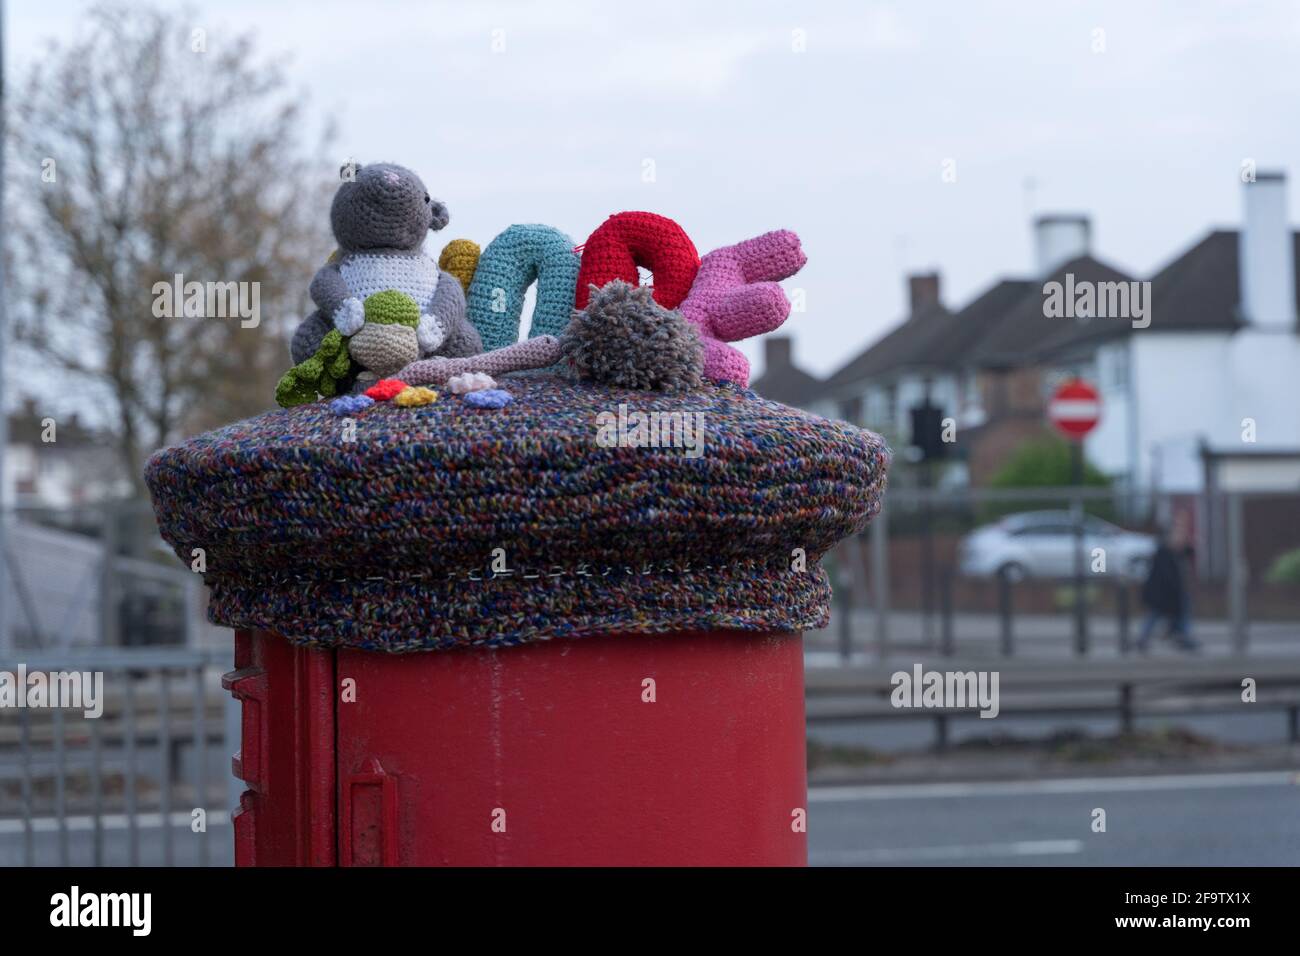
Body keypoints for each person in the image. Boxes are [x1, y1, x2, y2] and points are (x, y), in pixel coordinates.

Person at [1137, 517, 1197, 653]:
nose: (1181, 539)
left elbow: (1190, 552)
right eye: (1178, 536)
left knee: (1179, 613)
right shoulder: (1164, 553)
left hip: (1172, 594)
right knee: (1155, 615)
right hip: (1162, 594)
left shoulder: (1177, 552)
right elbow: (1165, 577)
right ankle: (1177, 636)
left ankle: (1181, 636)